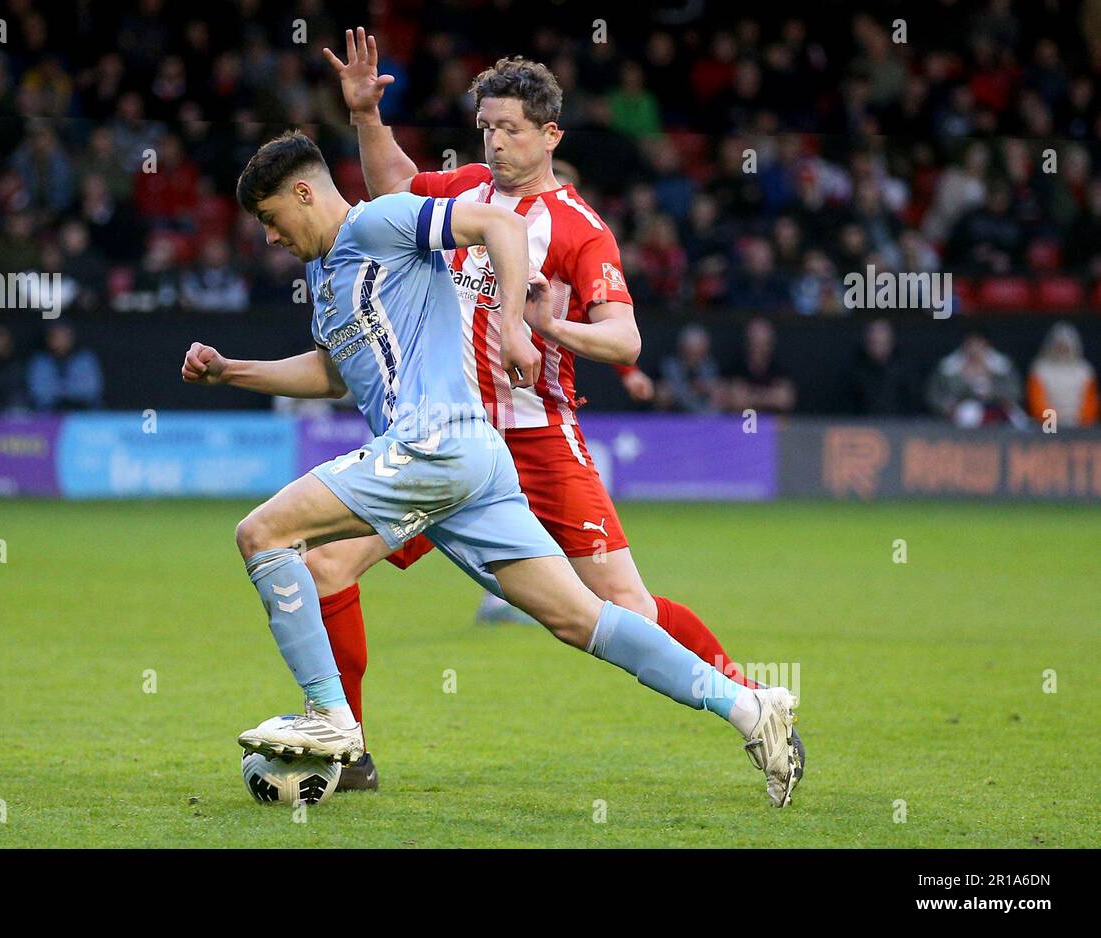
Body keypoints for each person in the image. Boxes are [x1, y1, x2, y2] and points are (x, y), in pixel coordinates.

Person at [182, 131, 802, 808]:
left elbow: (500, 222)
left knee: (262, 534)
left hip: (433, 445)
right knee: (581, 619)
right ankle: (750, 709)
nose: (270, 237)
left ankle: (331, 719)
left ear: (304, 192)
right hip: (471, 465)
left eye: (271, 219)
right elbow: (336, 373)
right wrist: (231, 371)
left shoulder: (378, 222)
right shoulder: (324, 275)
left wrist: (511, 324)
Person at [310, 31, 794, 791]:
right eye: (487, 128)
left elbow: (626, 339)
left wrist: (548, 325)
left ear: (550, 135)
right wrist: (369, 116)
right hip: (449, 443)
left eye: (510, 130)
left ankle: (755, 701)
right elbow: (396, 188)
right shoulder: (466, 191)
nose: (495, 144)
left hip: (537, 441)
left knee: (623, 604)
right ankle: (350, 753)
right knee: (328, 565)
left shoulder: (577, 228)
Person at [926, 331, 1026, 428]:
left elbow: (1015, 392)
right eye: (971, 344)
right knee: (969, 413)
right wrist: (946, 405)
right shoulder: (949, 367)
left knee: (1017, 419)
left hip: (998, 410)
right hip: (961, 413)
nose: (974, 349)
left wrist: (993, 393)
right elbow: (934, 395)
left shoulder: (1002, 367)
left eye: (979, 344)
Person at [1025, 322, 1098, 427]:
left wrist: (1081, 422)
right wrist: (1053, 422)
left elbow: (1090, 403)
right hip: (1047, 427)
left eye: (1066, 347)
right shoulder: (1040, 369)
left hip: (1080, 427)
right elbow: (1037, 402)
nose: (1062, 351)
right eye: (1059, 347)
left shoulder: (1085, 371)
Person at [27, 323, 104, 411]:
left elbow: (90, 390)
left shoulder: (85, 359)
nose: (61, 341)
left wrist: (60, 392)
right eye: (56, 337)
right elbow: (40, 393)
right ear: (48, 339)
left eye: (64, 336)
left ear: (72, 337)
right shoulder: (40, 361)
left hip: (84, 413)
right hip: (49, 414)